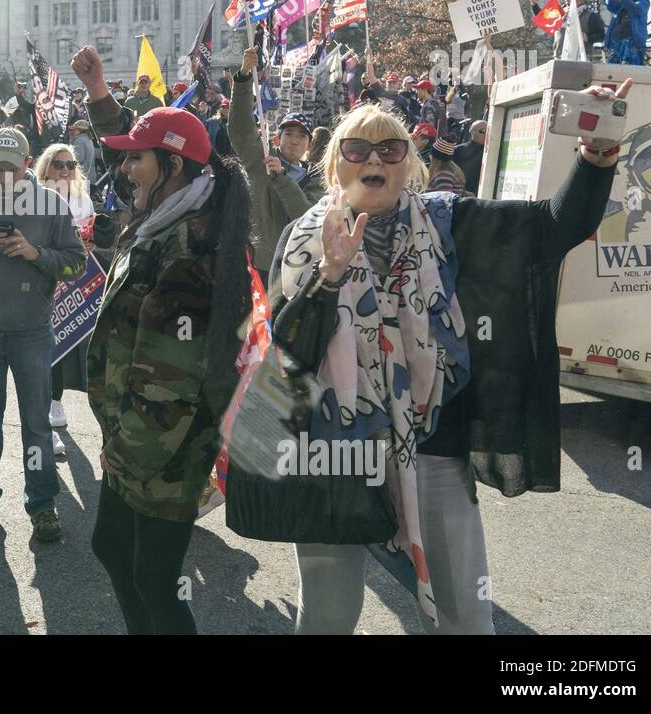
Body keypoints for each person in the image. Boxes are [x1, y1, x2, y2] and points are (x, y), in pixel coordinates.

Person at [223, 82, 629, 634]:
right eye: (357, 149)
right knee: (328, 614)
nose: (374, 159)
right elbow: (289, 354)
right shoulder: (303, 239)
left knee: (464, 613)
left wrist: (596, 155)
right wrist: (331, 275)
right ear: (334, 165)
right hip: (332, 448)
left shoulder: (448, 221)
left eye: (390, 149)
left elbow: (553, 228)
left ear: (407, 163)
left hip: (432, 445)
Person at [71, 44, 253, 634]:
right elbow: (133, 147)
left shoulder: (189, 251)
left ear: (172, 168)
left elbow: (171, 386)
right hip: (135, 441)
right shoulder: (171, 208)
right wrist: (100, 94)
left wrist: (124, 452)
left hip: (161, 452)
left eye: (137, 163)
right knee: (114, 552)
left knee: (154, 579)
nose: (124, 172)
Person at [0, 127, 86, 544]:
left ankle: (42, 504)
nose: (5, 176)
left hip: (32, 331)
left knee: (37, 426)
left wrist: (36, 253)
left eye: (13, 167)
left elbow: (76, 264)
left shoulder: (51, 204)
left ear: (28, 165)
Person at [33, 142, 96, 459]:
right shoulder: (33, 196)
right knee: (42, 346)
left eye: (71, 164)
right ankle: (41, 417)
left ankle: (55, 402)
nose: (66, 170)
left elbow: (89, 238)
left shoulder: (83, 199)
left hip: (75, 283)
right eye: (59, 164)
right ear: (46, 167)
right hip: (41, 280)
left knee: (65, 343)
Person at [235, 90, 327, 286]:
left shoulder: (315, 179)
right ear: (277, 139)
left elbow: (306, 217)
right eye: (289, 134)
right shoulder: (262, 160)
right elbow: (241, 130)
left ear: (309, 145)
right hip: (260, 263)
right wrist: (243, 79)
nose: (294, 140)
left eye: (302, 136)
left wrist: (281, 179)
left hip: (296, 267)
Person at [605, 0, 650, 65]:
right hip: (616, 41)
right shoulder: (622, 1)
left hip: (633, 43)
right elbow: (611, 6)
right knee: (612, 70)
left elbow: (638, 9)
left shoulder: (644, 2)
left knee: (632, 71)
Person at [454, 120, 488, 194]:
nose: (487, 134)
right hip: (461, 194)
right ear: (472, 131)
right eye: (483, 131)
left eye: (489, 131)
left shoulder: (490, 151)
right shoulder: (458, 150)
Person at [69, 119, 99, 185]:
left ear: (80, 130)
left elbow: (78, 159)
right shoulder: (88, 140)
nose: (72, 131)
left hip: (81, 178)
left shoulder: (79, 141)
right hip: (90, 177)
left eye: (75, 129)